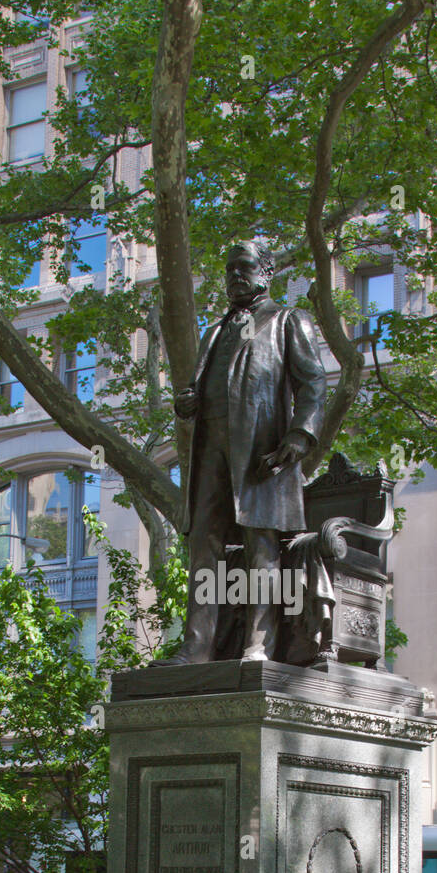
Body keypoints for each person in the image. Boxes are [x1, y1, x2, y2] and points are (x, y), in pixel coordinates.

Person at [167, 240, 326, 663]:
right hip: (211, 449)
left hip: (263, 452)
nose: (235, 275)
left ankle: (259, 644)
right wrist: (188, 402)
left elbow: (313, 383)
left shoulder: (288, 320)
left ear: (266, 272)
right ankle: (196, 646)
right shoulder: (214, 331)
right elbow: (200, 386)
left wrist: (299, 435)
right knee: (204, 546)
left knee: (262, 548)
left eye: (244, 267)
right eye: (229, 269)